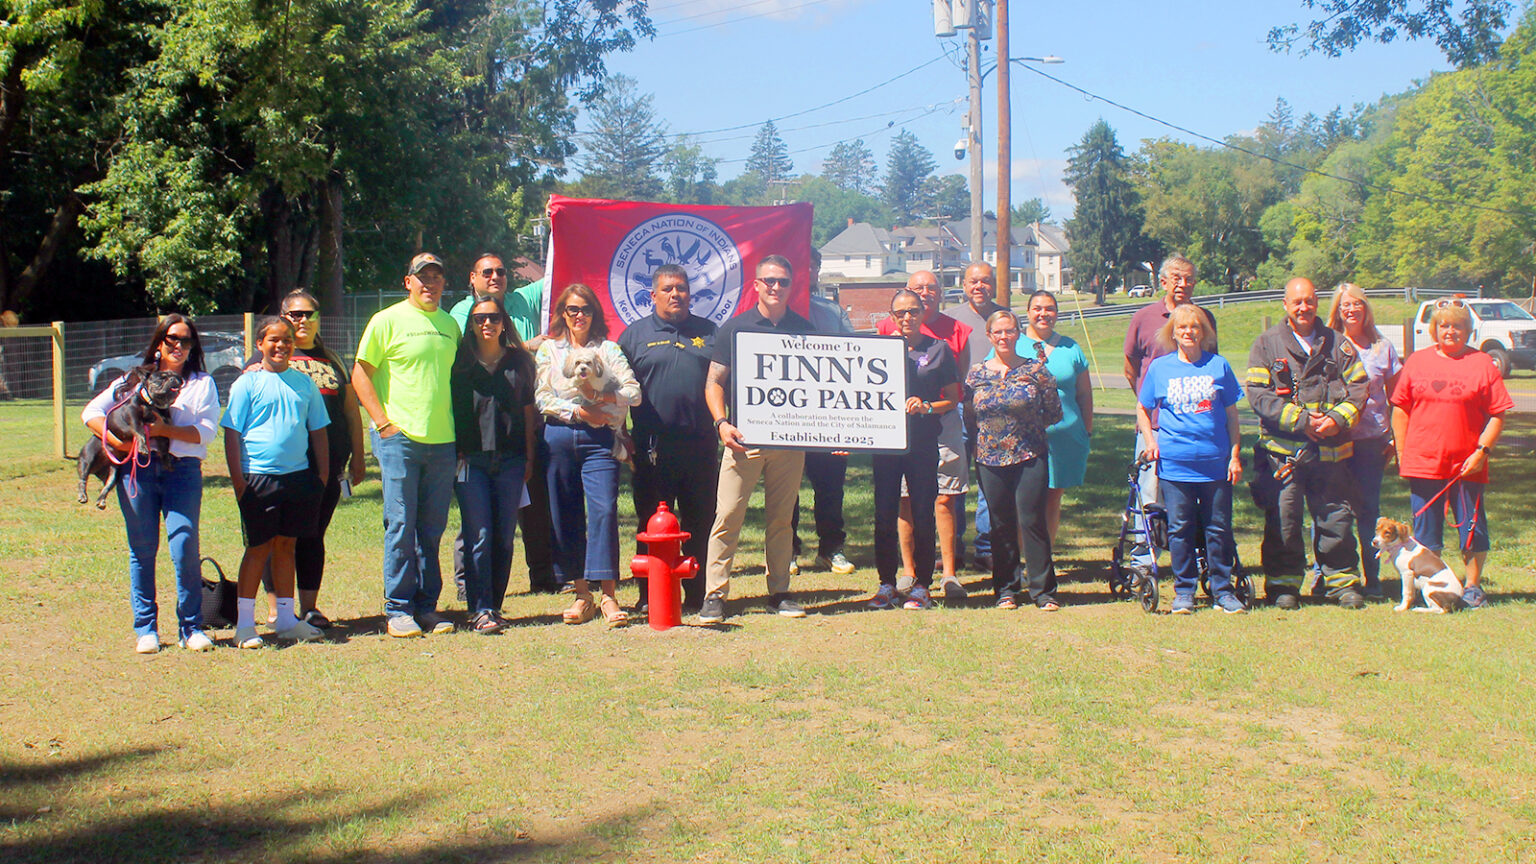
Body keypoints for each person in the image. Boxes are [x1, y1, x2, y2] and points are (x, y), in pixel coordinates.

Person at [83, 315, 222, 654]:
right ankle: (146, 628)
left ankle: (191, 628)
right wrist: (120, 443)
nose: (178, 346)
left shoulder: (201, 383)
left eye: (186, 341)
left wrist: (162, 431)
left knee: (184, 545)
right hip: (138, 472)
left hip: (182, 471)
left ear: (193, 348)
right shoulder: (133, 379)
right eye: (172, 338)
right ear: (159, 342)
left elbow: (205, 432)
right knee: (142, 551)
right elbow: (91, 412)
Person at [699, 254, 815, 623]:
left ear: (791, 285)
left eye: (782, 281)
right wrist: (721, 423)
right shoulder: (735, 328)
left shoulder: (805, 330)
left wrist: (830, 431)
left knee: (782, 520)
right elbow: (715, 382)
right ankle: (715, 595)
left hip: (790, 441)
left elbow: (818, 388)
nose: (775, 287)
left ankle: (779, 592)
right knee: (728, 515)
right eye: (769, 281)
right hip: (743, 439)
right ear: (756, 285)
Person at [352, 252, 462, 637]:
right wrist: (383, 424)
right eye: (422, 277)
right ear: (408, 281)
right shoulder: (386, 321)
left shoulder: (450, 326)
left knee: (431, 529)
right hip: (400, 440)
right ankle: (398, 609)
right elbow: (360, 373)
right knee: (400, 524)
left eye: (436, 277)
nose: (429, 284)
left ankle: (427, 606)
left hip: (443, 441)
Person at [244, 291, 367, 629]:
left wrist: (358, 456)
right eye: (294, 314)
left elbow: (351, 412)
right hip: (277, 468)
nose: (301, 320)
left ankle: (310, 607)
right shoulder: (271, 357)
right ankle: (276, 610)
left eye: (308, 314)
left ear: (318, 318)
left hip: (325, 468)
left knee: (312, 535)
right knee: (273, 537)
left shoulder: (333, 360)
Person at [1245, 277, 1369, 610]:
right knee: (1284, 519)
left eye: (1310, 301)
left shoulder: (1339, 344)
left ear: (1317, 304)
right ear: (1285, 305)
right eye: (1297, 302)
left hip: (1331, 452)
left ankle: (1342, 582)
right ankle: (1284, 585)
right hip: (1283, 456)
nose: (1304, 308)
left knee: (1336, 518)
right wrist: (1302, 421)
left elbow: (1359, 388)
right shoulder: (1266, 345)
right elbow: (1258, 394)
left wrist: (1336, 420)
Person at [1390, 299, 1511, 608]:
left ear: (1468, 330)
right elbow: (1401, 409)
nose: (1450, 331)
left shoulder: (1483, 363)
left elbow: (1498, 414)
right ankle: (1430, 587)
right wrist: (1403, 453)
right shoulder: (1417, 361)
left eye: (1457, 325)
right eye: (1444, 324)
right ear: (1434, 329)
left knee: (1472, 527)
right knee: (1425, 531)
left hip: (1467, 465)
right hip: (1424, 462)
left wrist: (1482, 451)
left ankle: (1472, 587)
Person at [449, 255, 558, 595]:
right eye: (487, 272)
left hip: (525, 421)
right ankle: (469, 584)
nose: (495, 276)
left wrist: (558, 223)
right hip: (479, 435)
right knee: (477, 518)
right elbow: (473, 355)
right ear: (472, 277)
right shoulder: (460, 311)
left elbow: (561, 266)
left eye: (501, 271)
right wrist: (526, 347)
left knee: (531, 507)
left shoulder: (522, 299)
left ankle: (543, 577)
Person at [535, 283, 641, 627]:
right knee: (564, 514)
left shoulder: (608, 350)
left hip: (600, 441)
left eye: (586, 310)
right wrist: (581, 413)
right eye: (572, 310)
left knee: (604, 510)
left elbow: (633, 393)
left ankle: (609, 595)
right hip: (560, 437)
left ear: (595, 314)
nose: (579, 316)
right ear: (562, 314)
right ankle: (583, 595)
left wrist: (603, 402)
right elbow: (542, 399)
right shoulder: (549, 351)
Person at [222, 317, 331, 648]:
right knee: (258, 549)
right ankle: (244, 625)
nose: (281, 346)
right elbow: (231, 432)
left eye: (286, 340)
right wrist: (239, 481)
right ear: (260, 345)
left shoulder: (304, 384)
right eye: (273, 340)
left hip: (298, 478)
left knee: (286, 545)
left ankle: (286, 618)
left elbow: (318, 430)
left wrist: (322, 475)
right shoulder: (246, 384)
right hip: (258, 479)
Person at [618, 264, 718, 612]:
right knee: (651, 523)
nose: (676, 294)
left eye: (682, 288)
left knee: (700, 523)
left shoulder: (710, 333)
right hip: (652, 449)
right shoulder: (633, 336)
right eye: (668, 289)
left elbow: (726, 385)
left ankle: (698, 594)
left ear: (690, 294)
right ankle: (650, 595)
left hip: (701, 446)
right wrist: (621, 435)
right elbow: (617, 392)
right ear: (653, 295)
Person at [1135, 305, 1245, 615]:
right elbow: (1143, 408)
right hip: (1175, 464)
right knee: (1180, 529)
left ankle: (1222, 591)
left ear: (1204, 332)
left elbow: (1232, 415)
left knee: (1218, 527)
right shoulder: (1160, 368)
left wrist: (1234, 455)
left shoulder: (1219, 366)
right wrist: (1152, 441)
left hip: (1215, 463)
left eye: (1195, 327)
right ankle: (1184, 591)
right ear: (1173, 333)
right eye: (1182, 327)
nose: (1188, 332)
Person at [877, 270, 971, 599]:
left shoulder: (939, 350)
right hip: (886, 444)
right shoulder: (878, 349)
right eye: (900, 312)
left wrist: (927, 407)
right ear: (891, 317)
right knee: (885, 511)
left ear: (922, 314)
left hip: (924, 442)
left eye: (913, 311)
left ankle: (922, 585)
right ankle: (886, 582)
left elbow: (953, 397)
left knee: (923, 509)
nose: (907, 317)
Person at [1122, 255, 1216, 574]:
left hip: (1196, 426)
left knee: (1194, 495)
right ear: (1163, 281)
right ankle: (1143, 563)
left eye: (1188, 278)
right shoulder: (1145, 317)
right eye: (1176, 277)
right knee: (1149, 493)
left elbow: (1211, 369)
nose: (1182, 284)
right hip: (1156, 427)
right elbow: (1130, 366)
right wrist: (1146, 407)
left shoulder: (1204, 318)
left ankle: (1194, 559)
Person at [452, 296, 538, 633]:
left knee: (503, 536)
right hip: (470, 459)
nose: (487, 323)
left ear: (504, 322)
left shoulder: (520, 362)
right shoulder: (460, 363)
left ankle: (495, 605)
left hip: (513, 459)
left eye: (493, 317)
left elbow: (529, 411)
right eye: (479, 319)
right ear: (471, 326)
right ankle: (480, 607)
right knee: (480, 534)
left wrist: (530, 456)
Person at [966, 310, 1063, 611]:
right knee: (1000, 523)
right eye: (998, 332)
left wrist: (1025, 432)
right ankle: (1006, 589)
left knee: (1032, 520)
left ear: (1018, 334)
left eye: (1009, 331)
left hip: (1029, 455)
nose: (1004, 337)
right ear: (989, 336)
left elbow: (1053, 412)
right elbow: (970, 416)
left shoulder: (1036, 371)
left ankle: (1042, 591)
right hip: (989, 458)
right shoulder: (977, 374)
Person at [1326, 283, 1401, 599]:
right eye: (1345, 305)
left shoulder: (1382, 348)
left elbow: (1399, 396)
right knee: (1331, 509)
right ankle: (1331, 575)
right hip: (1334, 439)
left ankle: (1373, 579)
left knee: (1368, 510)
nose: (1351, 310)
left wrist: (1396, 437)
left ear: (1366, 309)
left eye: (1357, 304)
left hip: (1372, 440)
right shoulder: (1326, 344)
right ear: (1337, 310)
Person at [791, 249, 856, 577]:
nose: (807, 271)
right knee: (785, 486)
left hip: (828, 416)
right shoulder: (775, 314)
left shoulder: (833, 313)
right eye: (800, 265)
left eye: (811, 266)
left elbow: (853, 361)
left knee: (830, 486)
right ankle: (787, 549)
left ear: (817, 271)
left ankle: (831, 548)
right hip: (786, 414)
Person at [944, 261, 1007, 571]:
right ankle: (952, 545)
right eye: (973, 281)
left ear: (993, 284)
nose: (979, 286)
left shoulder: (1004, 318)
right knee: (954, 479)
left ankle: (986, 547)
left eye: (985, 281)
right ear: (964, 284)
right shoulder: (951, 319)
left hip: (995, 409)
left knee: (989, 481)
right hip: (957, 407)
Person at [1019, 290, 1093, 541]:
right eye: (1037, 308)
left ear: (1057, 314)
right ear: (1028, 312)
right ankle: (1020, 556)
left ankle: (1045, 556)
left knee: (1053, 496)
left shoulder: (1070, 347)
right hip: (1022, 438)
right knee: (1024, 496)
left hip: (1064, 436)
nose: (1043, 314)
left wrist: (1087, 429)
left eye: (1049, 308)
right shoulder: (1012, 342)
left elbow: (1084, 394)